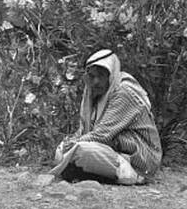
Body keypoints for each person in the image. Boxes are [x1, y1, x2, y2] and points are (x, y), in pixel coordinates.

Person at [52, 48, 162, 185]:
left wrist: (74, 144)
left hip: (139, 159)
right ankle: (97, 174)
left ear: (111, 75)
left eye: (101, 75)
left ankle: (133, 175)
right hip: (111, 150)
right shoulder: (93, 92)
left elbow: (102, 135)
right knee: (62, 151)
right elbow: (85, 131)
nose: (96, 81)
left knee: (81, 151)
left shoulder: (123, 92)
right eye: (92, 76)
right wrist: (70, 142)